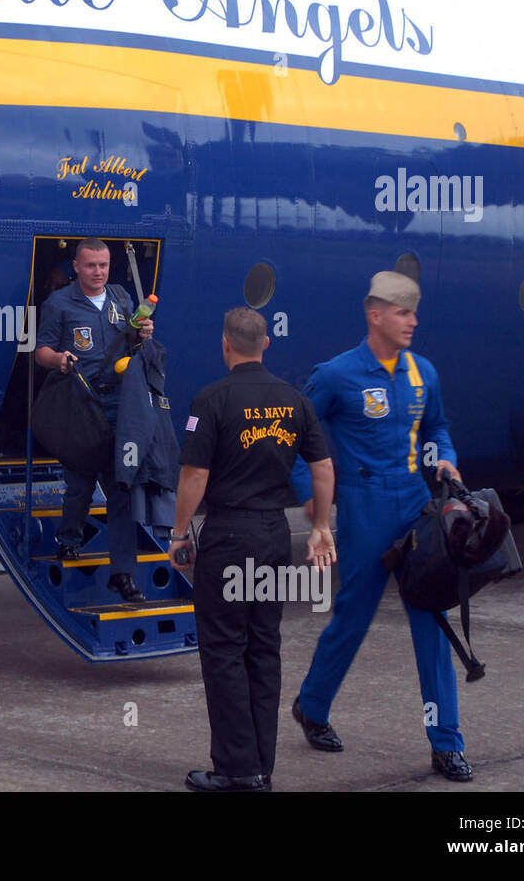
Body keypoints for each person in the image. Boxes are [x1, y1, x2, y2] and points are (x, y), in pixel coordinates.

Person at [290, 271, 474, 782]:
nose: (413, 321)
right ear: (375, 315)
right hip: (364, 506)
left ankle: (446, 742)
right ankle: (312, 705)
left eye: (414, 312)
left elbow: (437, 428)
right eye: (402, 312)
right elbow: (295, 436)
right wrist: (312, 500)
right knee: (353, 616)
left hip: (415, 504)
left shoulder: (423, 372)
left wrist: (445, 460)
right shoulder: (336, 375)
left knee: (432, 619)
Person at [168, 306, 335, 793]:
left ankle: (237, 769)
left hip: (229, 536)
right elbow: (323, 468)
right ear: (266, 344)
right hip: (273, 535)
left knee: (224, 650)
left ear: (225, 344)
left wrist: (179, 534)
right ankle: (262, 764)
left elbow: (194, 475)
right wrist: (321, 526)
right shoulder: (294, 400)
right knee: (264, 647)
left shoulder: (210, 400)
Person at [35, 238, 153, 602]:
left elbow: (131, 342)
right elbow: (41, 351)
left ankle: (123, 573)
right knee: (80, 482)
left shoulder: (121, 298)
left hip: (121, 404)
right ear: (76, 267)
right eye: (90, 265)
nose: (98, 272)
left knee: (122, 488)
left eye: (103, 265)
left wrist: (142, 334)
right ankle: (69, 538)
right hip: (82, 403)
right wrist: (59, 360)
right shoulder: (59, 304)